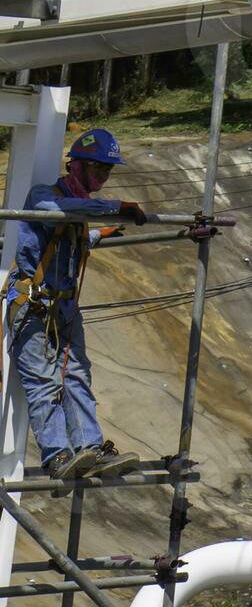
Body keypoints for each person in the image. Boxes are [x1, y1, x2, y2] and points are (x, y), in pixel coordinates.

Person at [10, 128, 148, 481]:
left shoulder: (80, 210)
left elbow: (75, 229)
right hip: (33, 307)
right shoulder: (45, 197)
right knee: (43, 382)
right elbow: (59, 213)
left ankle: (90, 448)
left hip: (65, 309)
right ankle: (57, 456)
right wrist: (113, 208)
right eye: (100, 169)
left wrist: (101, 231)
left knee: (76, 376)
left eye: (108, 171)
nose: (104, 177)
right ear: (78, 167)